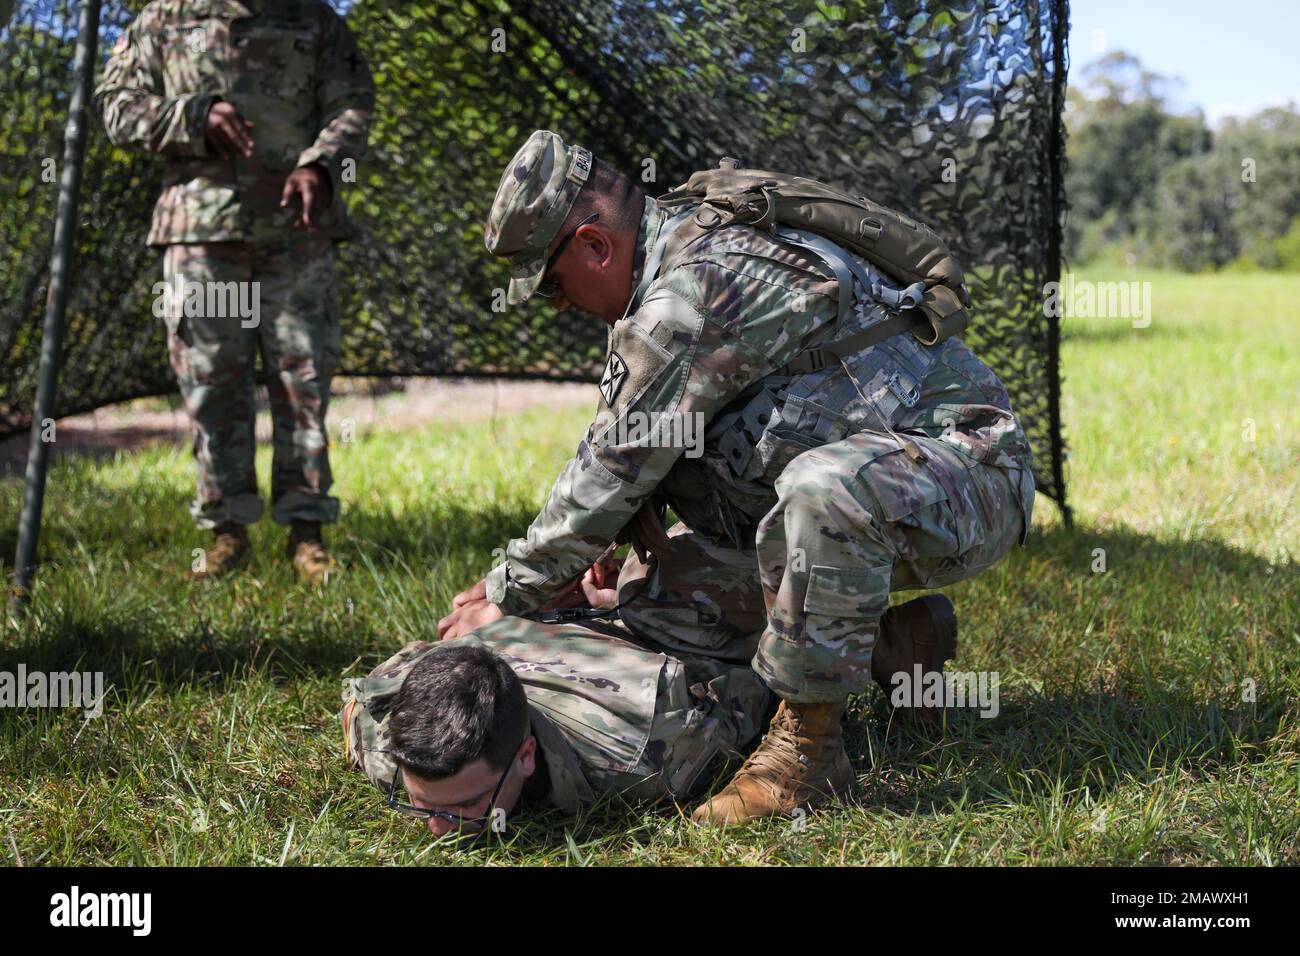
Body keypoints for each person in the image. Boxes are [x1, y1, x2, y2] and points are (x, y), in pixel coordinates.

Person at [442, 129, 1036, 827]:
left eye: (553, 286)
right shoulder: (670, 264)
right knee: (658, 596)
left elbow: (612, 468)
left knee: (824, 490)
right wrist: (595, 558)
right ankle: (891, 645)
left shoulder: (690, 292)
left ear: (594, 247)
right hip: (873, 482)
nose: (562, 305)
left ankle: (807, 761)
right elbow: (633, 457)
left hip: (969, 470)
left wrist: (506, 593)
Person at [94, 0, 374, 583]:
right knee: (213, 380)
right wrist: (192, 117)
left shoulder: (312, 18)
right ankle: (226, 532)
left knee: (303, 381)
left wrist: (323, 166)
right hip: (202, 233)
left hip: (295, 232)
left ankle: (308, 534)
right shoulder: (164, 18)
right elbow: (117, 108)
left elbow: (351, 100)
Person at [341, 616, 773, 838]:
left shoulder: (651, 757)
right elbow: (368, 694)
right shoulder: (392, 752)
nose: (436, 827)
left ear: (525, 757)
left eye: (466, 806)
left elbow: (752, 689)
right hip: (527, 625)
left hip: (651, 630)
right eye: (419, 803)